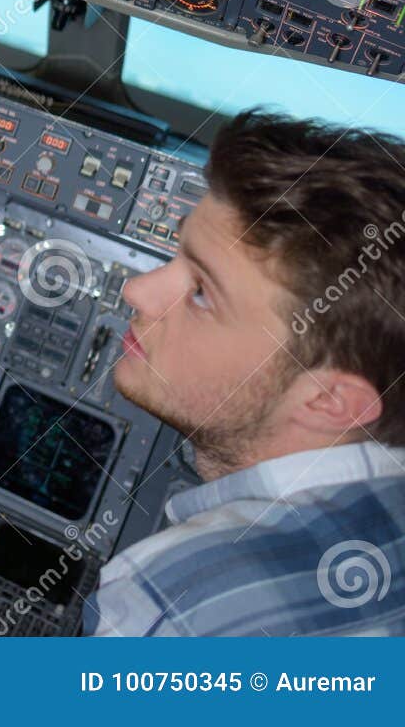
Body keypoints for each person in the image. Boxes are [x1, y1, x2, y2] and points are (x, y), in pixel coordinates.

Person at [86, 109, 405, 636]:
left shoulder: (176, 605)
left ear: (328, 401)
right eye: (175, 254)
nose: (136, 291)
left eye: (201, 293)